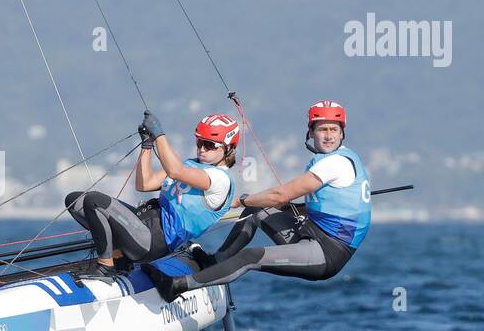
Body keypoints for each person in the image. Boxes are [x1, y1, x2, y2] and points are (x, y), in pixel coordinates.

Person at [148, 100, 370, 299]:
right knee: (257, 213)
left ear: (342, 133)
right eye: (322, 129)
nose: (329, 135)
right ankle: (214, 263)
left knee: (250, 256)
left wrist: (243, 201)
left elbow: (280, 195)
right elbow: (322, 209)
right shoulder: (330, 160)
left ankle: (177, 286)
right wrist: (268, 207)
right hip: (311, 234)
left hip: (327, 252)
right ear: (311, 132)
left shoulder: (336, 163)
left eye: (334, 129)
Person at [66, 110, 239, 279]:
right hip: (141, 224)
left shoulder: (220, 179)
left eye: (209, 145)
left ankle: (106, 267)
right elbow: (145, 184)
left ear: (228, 148)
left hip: (153, 242)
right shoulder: (191, 165)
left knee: (94, 201)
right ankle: (118, 256)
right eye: (199, 142)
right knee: (75, 200)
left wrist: (159, 134)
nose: (201, 149)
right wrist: (147, 145)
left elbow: (175, 171)